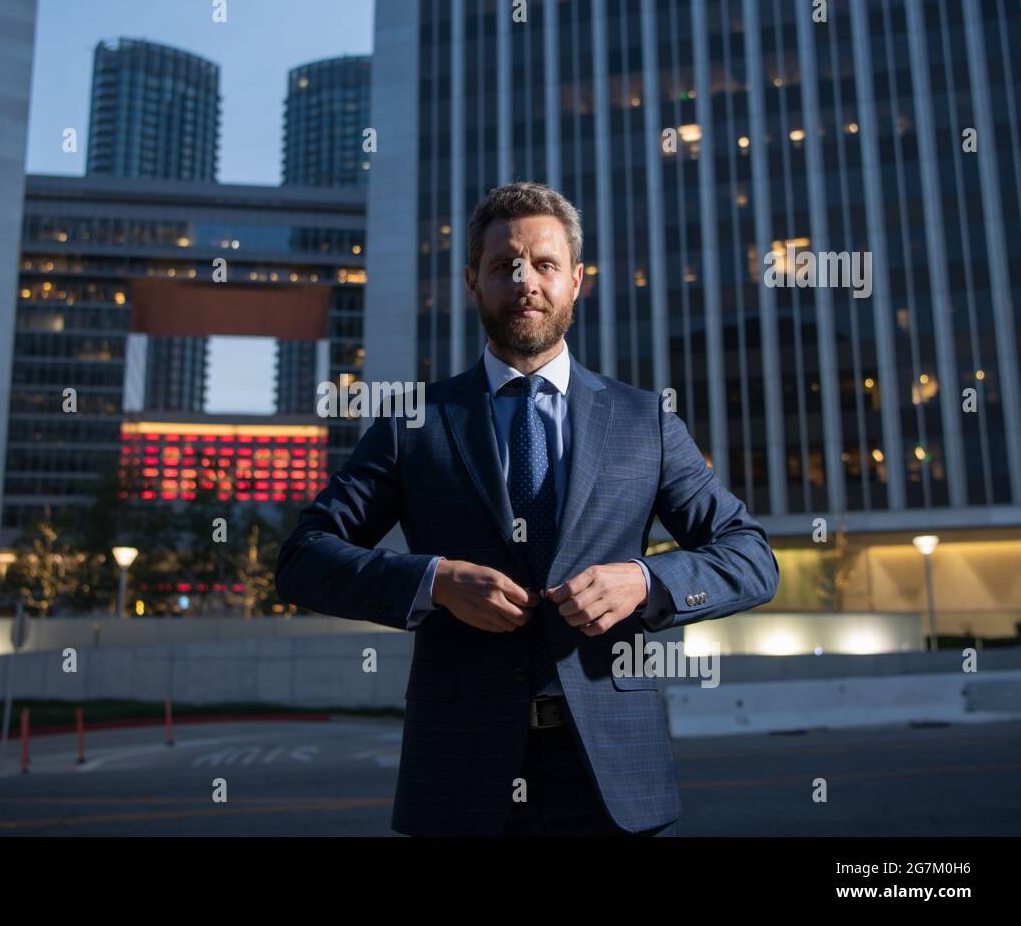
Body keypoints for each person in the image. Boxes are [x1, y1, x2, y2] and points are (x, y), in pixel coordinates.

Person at [275, 181, 779, 836]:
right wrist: (433, 581)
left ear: (577, 280)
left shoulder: (646, 421)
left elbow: (751, 557)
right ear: (472, 283)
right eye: (503, 266)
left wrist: (646, 581)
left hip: (614, 773)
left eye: (544, 264)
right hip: (460, 768)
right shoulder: (411, 422)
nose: (525, 282)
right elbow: (302, 558)